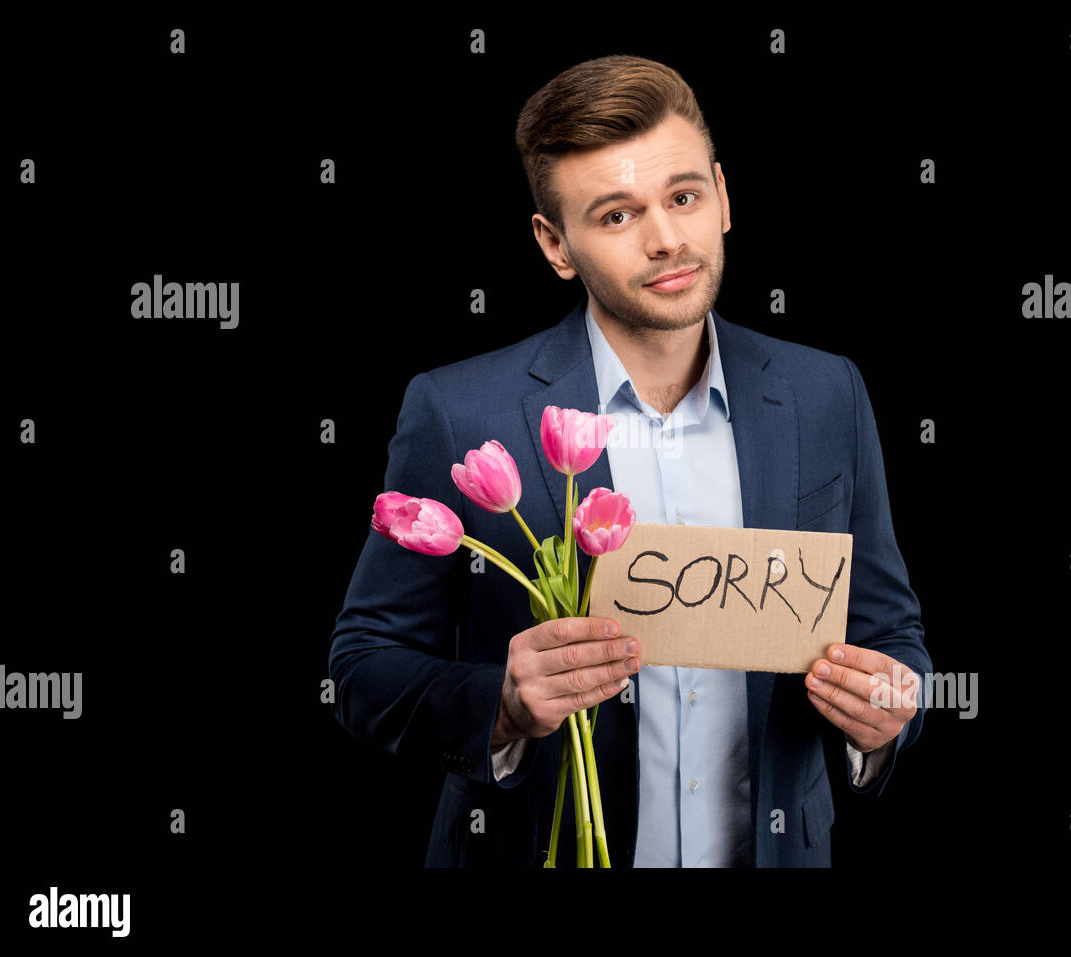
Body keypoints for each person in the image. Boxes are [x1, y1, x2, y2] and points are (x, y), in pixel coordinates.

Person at [328, 54, 930, 867]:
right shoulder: (458, 410)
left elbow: (891, 631)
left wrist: (891, 711)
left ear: (722, 196)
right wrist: (499, 705)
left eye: (683, 197)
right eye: (616, 216)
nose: (665, 239)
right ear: (555, 244)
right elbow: (361, 666)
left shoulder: (828, 392)